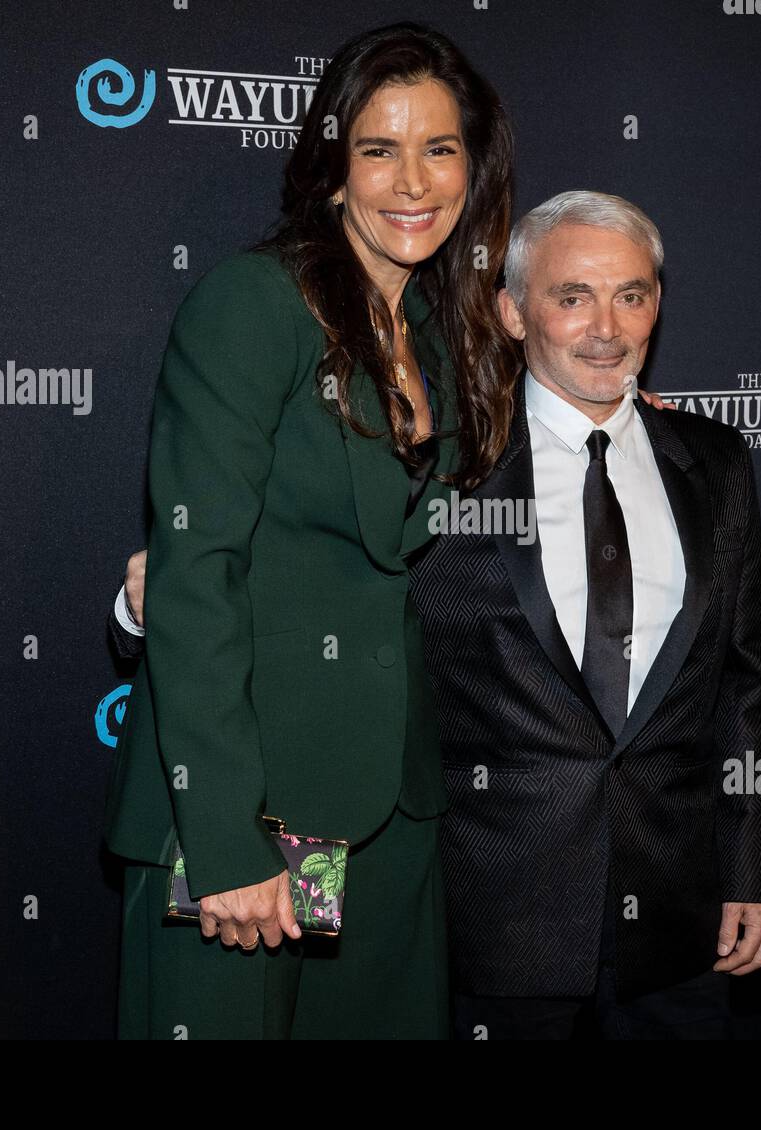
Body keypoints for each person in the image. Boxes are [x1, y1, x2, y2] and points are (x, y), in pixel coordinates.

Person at [110, 192, 761, 1040]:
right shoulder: (445, 462)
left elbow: (748, 685)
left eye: (633, 294)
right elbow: (316, 587)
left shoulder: (716, 461)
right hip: (487, 932)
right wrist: (159, 597)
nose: (606, 328)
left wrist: (753, 867)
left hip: (680, 929)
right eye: (571, 296)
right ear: (510, 309)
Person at [101, 21, 519, 1039]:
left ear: (474, 167)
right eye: (378, 148)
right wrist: (227, 839)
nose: (410, 180)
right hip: (259, 812)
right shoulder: (257, 305)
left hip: (387, 812)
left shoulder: (439, 331)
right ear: (333, 167)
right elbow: (195, 571)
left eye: (439, 148)